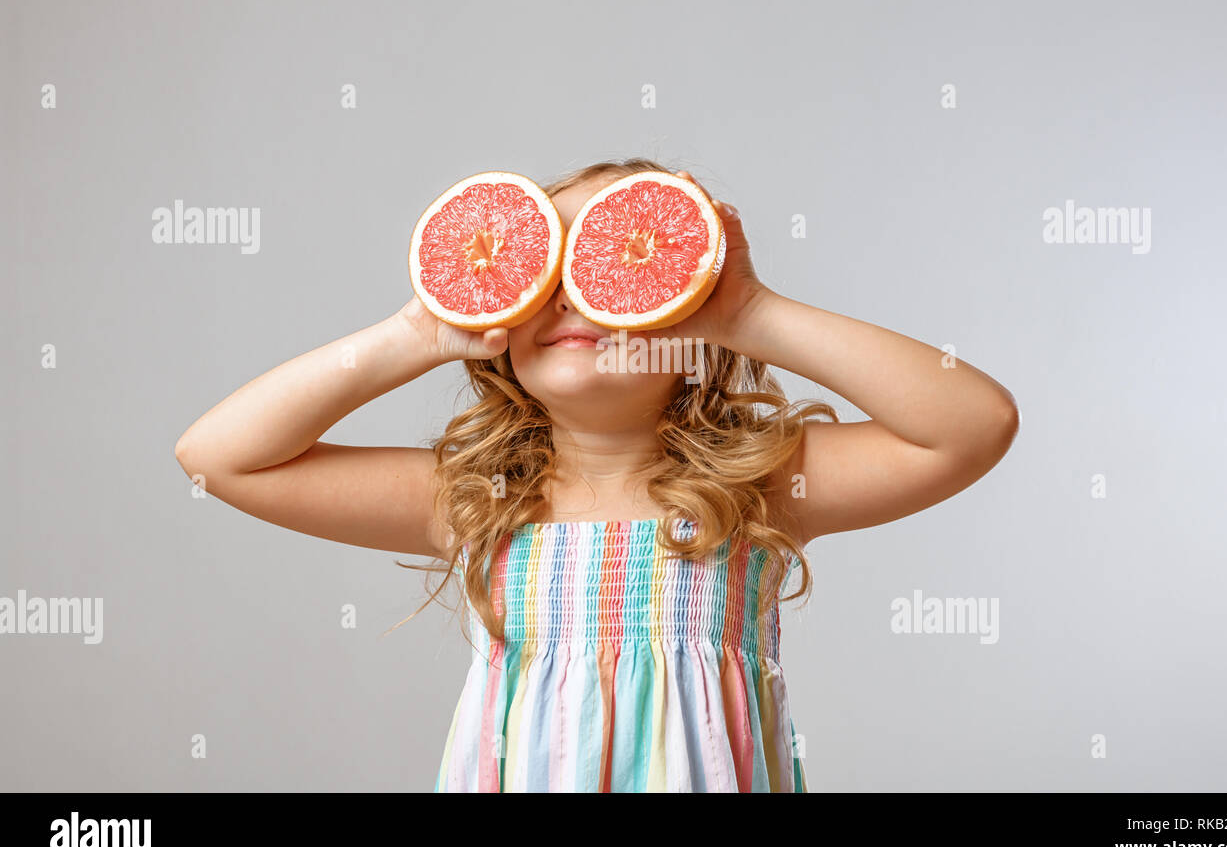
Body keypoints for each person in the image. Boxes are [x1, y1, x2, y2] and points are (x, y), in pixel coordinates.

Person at [174, 157, 1020, 792]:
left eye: (617, 266)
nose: (574, 294)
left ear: (690, 334)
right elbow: (219, 456)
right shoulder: (472, 503)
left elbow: (974, 425)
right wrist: (417, 332)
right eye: (545, 268)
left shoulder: (758, 492)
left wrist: (749, 313)